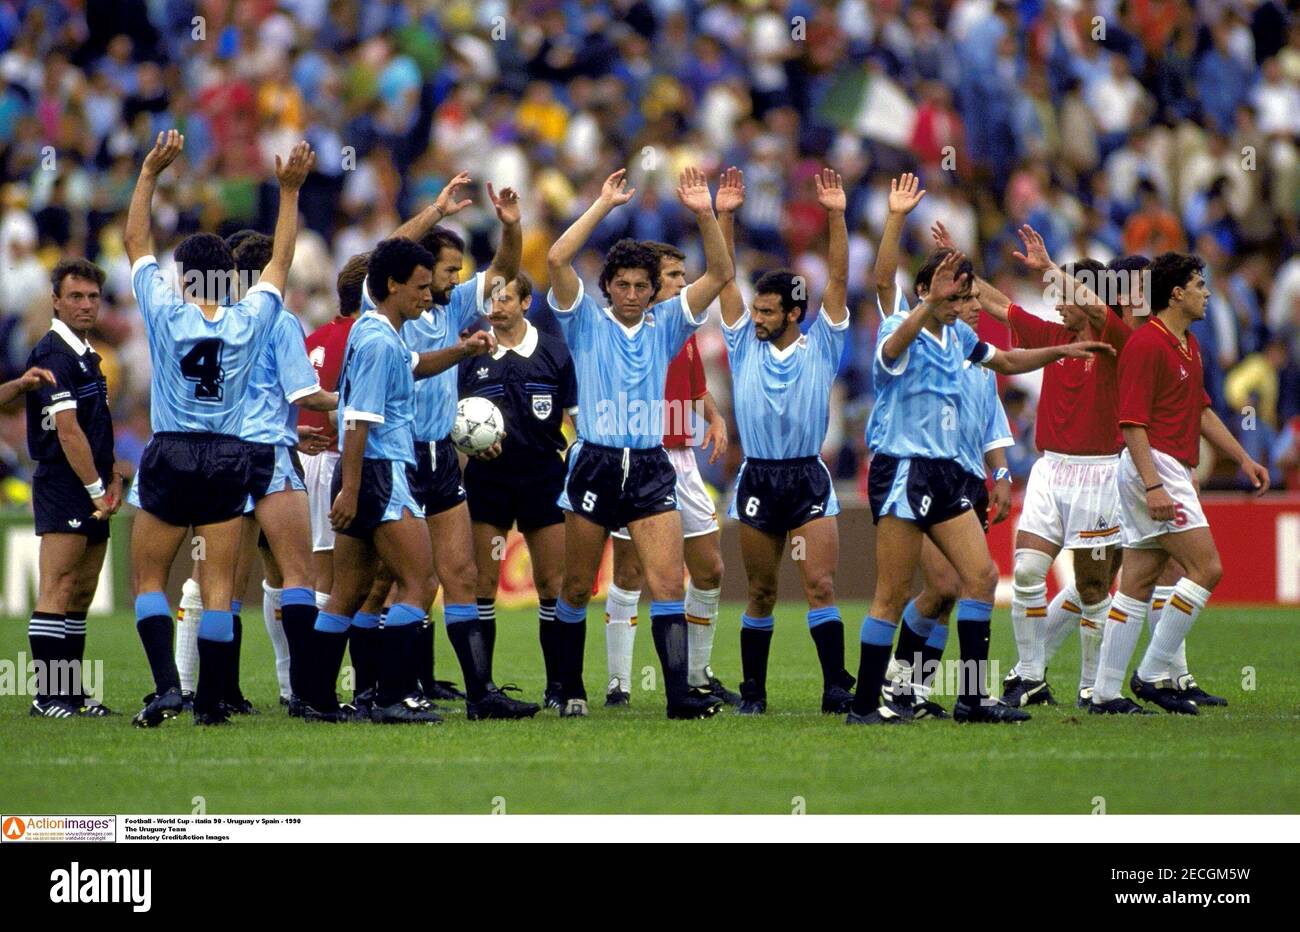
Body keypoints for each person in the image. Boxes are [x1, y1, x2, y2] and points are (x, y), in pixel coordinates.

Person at [854, 248, 1115, 725]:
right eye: (955, 293)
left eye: (965, 293)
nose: (963, 301)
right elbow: (890, 349)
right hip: (905, 471)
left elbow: (1008, 361)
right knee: (893, 594)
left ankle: (970, 699)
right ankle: (867, 704)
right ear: (927, 292)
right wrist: (928, 304)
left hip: (951, 474)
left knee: (980, 578)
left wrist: (1060, 351)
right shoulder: (900, 329)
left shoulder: (960, 340)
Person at [123, 131, 312, 727]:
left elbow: (134, 239)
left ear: (182, 275)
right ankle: (210, 703)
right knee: (222, 583)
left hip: (170, 450)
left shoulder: (162, 310)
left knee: (150, 576)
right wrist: (287, 191)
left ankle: (166, 689)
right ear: (231, 277)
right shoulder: (249, 318)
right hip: (229, 454)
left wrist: (151, 174)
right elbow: (281, 261)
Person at [544, 166, 734, 719]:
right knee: (577, 585)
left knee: (667, 582)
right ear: (607, 287)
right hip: (595, 462)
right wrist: (603, 204)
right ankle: (569, 688)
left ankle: (678, 698)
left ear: (654, 292)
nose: (630, 293)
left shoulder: (669, 323)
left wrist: (704, 212)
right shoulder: (584, 321)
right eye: (621, 284)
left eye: (640, 286)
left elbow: (722, 272)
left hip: (651, 466)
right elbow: (557, 259)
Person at [374, 174, 538, 719]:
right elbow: (388, 252)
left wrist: (510, 226)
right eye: (446, 272)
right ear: (416, 276)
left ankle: (479, 694)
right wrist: (435, 210)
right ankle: (393, 689)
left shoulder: (451, 306)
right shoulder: (391, 308)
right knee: (395, 581)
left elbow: (505, 272)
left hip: (441, 457)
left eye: (456, 274)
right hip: (397, 453)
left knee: (460, 575)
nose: (454, 281)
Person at [1091, 252, 1269, 714]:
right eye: (1199, 285)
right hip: (1155, 466)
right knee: (1207, 568)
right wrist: (1154, 486)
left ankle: (1105, 694)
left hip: (1160, 466)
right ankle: (1152, 675)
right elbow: (1131, 423)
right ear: (1176, 293)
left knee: (1138, 580)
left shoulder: (1187, 344)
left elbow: (1203, 411)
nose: (1206, 293)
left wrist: (1243, 459)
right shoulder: (1146, 345)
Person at [172, 231, 337, 719]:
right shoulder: (277, 320)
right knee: (298, 573)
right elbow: (304, 395)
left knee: (221, 583)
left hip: (219, 453)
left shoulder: (213, 322)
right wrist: (355, 405)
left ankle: (209, 694)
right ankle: (308, 694)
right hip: (265, 455)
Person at [966, 225, 1130, 708]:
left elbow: (1100, 309)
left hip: (1100, 474)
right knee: (1028, 570)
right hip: (1049, 469)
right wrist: (958, 269)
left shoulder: (1117, 339)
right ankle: (1031, 675)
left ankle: (1093, 689)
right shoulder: (1055, 336)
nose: (1055, 302)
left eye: (1063, 294)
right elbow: (1000, 306)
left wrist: (1052, 268)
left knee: (1095, 586)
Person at [716, 166, 857, 715]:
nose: (755, 318)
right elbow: (726, 281)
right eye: (755, 309)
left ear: (794, 314)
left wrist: (837, 215)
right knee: (760, 591)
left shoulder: (821, 345)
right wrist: (724, 215)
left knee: (820, 585)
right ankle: (754, 692)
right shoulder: (744, 344)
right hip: (757, 475)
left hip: (805, 475)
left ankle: (834, 689)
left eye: (767, 311)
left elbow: (840, 284)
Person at [873, 181, 1014, 719]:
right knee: (946, 584)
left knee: (956, 590)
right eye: (964, 296)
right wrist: (895, 220)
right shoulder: (923, 334)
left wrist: (999, 472)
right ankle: (903, 687)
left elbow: (990, 418)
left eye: (976, 297)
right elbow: (884, 282)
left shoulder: (971, 353)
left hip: (965, 478)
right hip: (920, 474)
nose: (973, 304)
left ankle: (913, 690)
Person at [603, 241, 732, 709]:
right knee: (630, 571)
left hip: (682, 458)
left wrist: (714, 418)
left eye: (682, 275)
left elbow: (696, 387)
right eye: (675, 276)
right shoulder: (632, 330)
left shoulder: (684, 327)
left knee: (710, 567)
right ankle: (619, 683)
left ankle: (697, 675)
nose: (683, 283)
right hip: (638, 456)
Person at [459, 273, 576, 703]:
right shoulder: (472, 352)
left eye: (506, 298)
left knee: (551, 583)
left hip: (543, 479)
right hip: (489, 483)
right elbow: (454, 418)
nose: (497, 305)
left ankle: (558, 686)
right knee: (482, 583)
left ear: (526, 302)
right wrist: (466, 449)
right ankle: (484, 687)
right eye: (492, 298)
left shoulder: (555, 352)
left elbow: (575, 420)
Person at [23, 259, 122, 718]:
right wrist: (95, 488)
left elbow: (95, 426)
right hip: (66, 481)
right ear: (56, 300)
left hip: (92, 481)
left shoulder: (86, 353)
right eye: (76, 297)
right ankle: (48, 697)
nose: (86, 305)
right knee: (58, 587)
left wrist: (113, 475)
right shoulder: (54, 354)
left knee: (81, 591)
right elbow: (67, 432)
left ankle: (72, 693)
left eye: (93, 297)